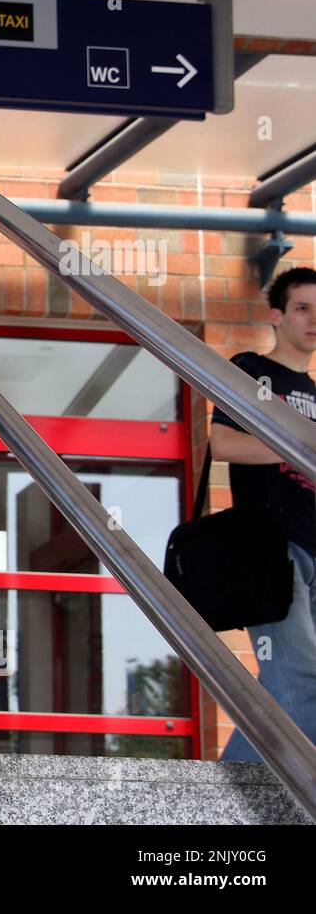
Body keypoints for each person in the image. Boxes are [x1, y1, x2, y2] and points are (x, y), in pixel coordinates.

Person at [212, 265, 316, 761]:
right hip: (273, 548)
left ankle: (221, 794)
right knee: (300, 678)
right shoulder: (252, 370)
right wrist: (297, 444)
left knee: (290, 686)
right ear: (277, 315)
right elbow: (222, 442)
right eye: (302, 308)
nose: (313, 319)